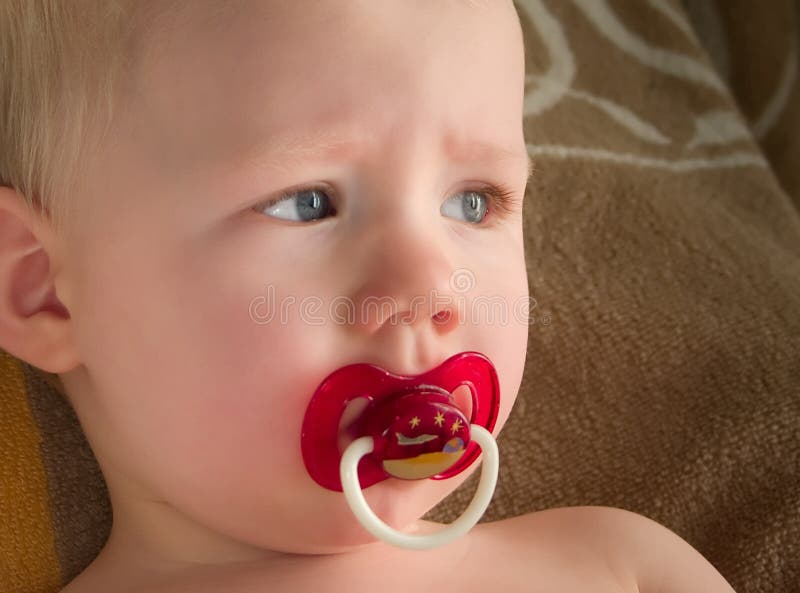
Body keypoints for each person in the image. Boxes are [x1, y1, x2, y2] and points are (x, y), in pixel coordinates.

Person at [0, 1, 738, 591]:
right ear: (43, 292)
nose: (430, 286)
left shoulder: (618, 565)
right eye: (308, 202)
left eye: (473, 202)